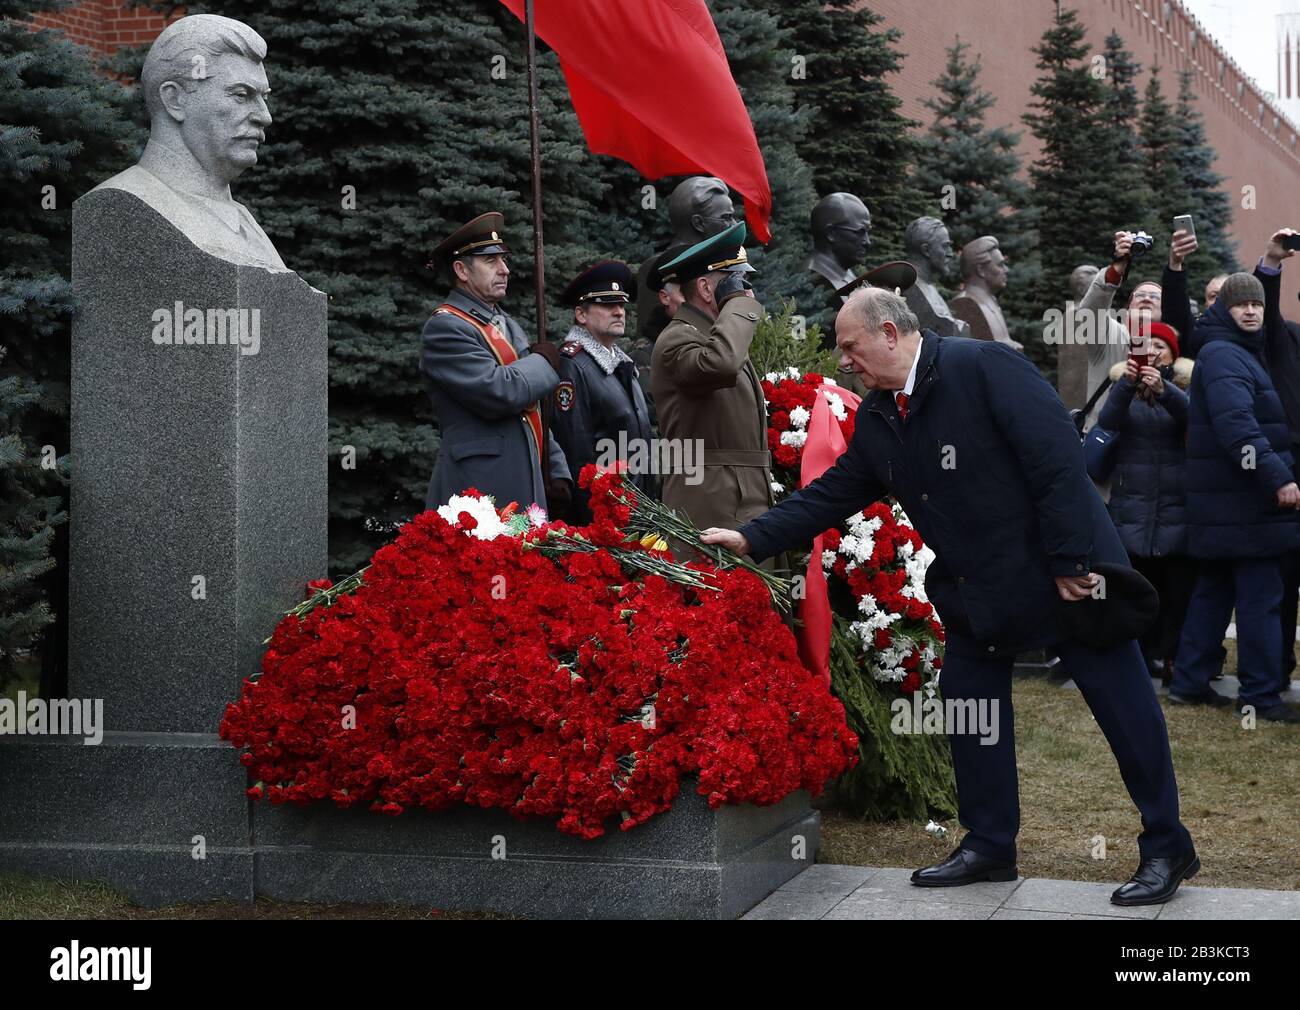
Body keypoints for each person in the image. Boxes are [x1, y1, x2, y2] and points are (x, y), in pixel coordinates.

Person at [701, 286, 1197, 906]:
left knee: (1126, 714)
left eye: (851, 345)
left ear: (889, 331)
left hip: (1063, 581)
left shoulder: (983, 366)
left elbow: (1057, 461)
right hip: (976, 593)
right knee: (974, 718)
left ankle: (1167, 846)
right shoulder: (882, 413)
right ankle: (989, 845)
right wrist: (750, 538)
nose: (844, 360)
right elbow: (834, 492)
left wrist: (1072, 560)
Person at [1170, 265, 1300, 723]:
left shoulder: (1236, 350)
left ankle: (1188, 681)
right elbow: (1236, 427)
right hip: (1246, 506)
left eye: (1257, 303)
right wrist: (1278, 478)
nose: (1250, 310)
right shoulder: (1227, 355)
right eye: (1241, 303)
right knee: (1261, 599)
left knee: (1214, 590)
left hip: (1226, 507)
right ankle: (1262, 697)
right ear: (1225, 309)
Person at [420, 212, 571, 513]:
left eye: (504, 260)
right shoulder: (446, 327)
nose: (505, 270)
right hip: (476, 493)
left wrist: (554, 464)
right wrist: (544, 362)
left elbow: (532, 406)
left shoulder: (505, 323)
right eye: (491, 262)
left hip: (523, 480)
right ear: (461, 270)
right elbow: (499, 391)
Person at [650, 221, 775, 538]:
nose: (747, 292)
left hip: (738, 497)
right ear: (706, 289)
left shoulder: (713, 336)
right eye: (735, 282)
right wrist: (738, 306)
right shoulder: (677, 339)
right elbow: (722, 364)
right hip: (711, 505)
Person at [1097, 321, 1195, 684]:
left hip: (1175, 507)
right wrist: (1126, 385)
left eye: (1161, 346)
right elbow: (1107, 424)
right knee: (1138, 590)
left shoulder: (1185, 388)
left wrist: (1165, 390)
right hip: (1133, 507)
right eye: (1147, 345)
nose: (1153, 351)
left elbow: (1195, 421)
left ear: (1173, 355)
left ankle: (1172, 658)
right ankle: (1139, 658)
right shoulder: (1122, 388)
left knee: (1176, 591)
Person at [550, 261, 655, 523]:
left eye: (621, 305)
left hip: (637, 512)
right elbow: (577, 453)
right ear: (581, 314)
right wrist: (598, 523)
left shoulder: (622, 364)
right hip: (605, 520)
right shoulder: (572, 365)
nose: (619, 312)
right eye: (607, 305)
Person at [1074, 229, 1197, 430]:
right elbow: (1090, 312)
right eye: (1139, 296)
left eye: (1156, 297)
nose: (1147, 298)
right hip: (1107, 441)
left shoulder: (1176, 347)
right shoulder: (1109, 336)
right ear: (1128, 308)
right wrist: (1117, 267)